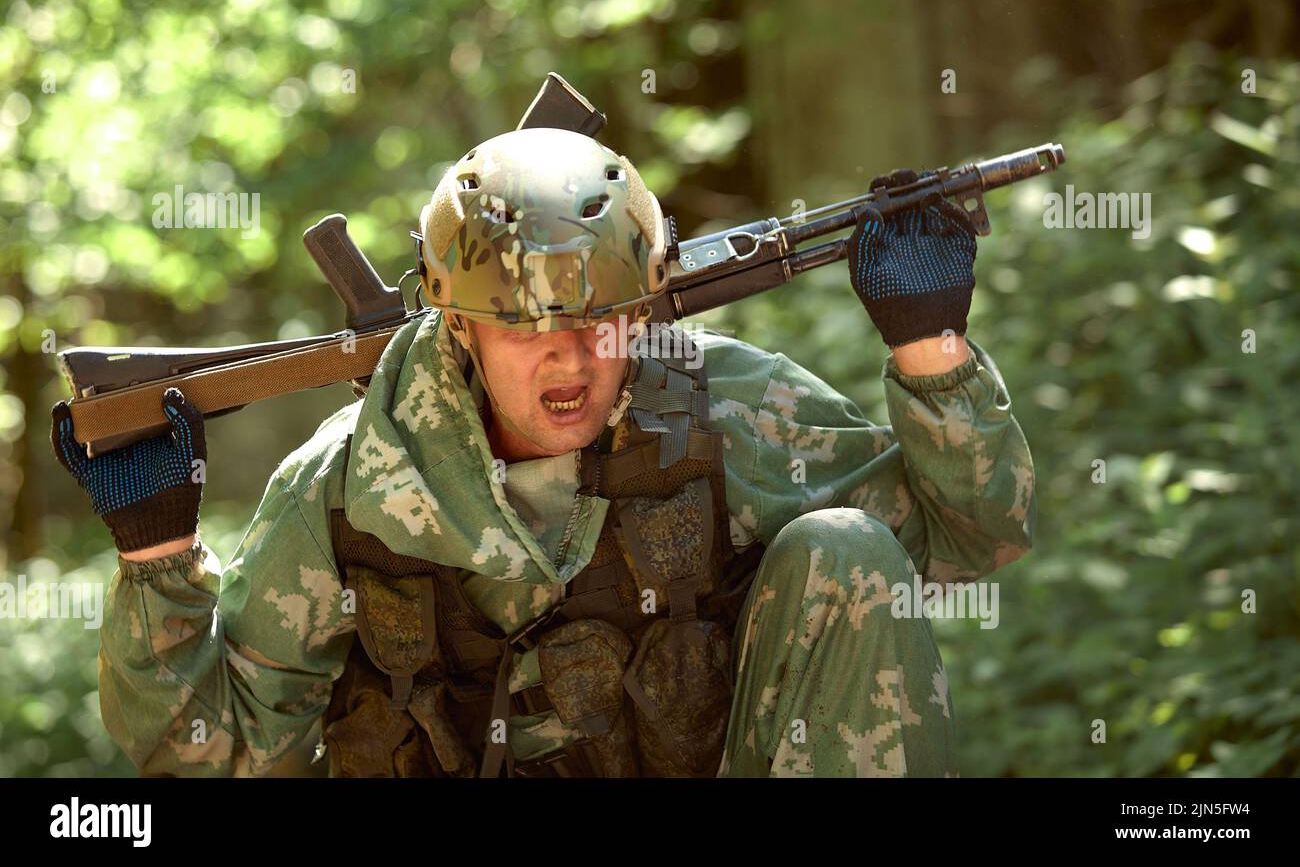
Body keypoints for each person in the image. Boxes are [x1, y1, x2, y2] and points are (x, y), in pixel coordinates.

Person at [52, 125, 1036, 777]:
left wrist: (929, 347)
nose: (567, 357)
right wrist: (154, 554)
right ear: (458, 323)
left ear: (648, 305)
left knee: (848, 550)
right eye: (522, 325)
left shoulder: (722, 408)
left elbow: (966, 537)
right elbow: (205, 753)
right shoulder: (349, 487)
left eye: (604, 318)